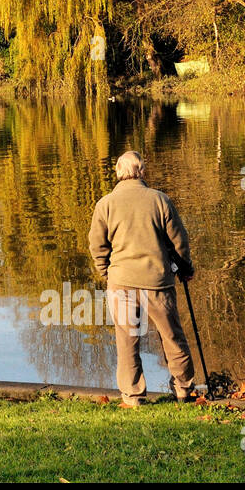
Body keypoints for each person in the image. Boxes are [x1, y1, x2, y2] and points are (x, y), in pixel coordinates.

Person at [88, 150, 198, 407]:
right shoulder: (160, 200)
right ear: (142, 171)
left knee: (127, 340)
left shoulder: (105, 204)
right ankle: (183, 389)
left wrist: (107, 273)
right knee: (172, 336)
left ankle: (133, 396)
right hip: (158, 281)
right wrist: (185, 269)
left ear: (118, 172)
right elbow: (179, 242)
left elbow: (97, 247)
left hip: (121, 282)